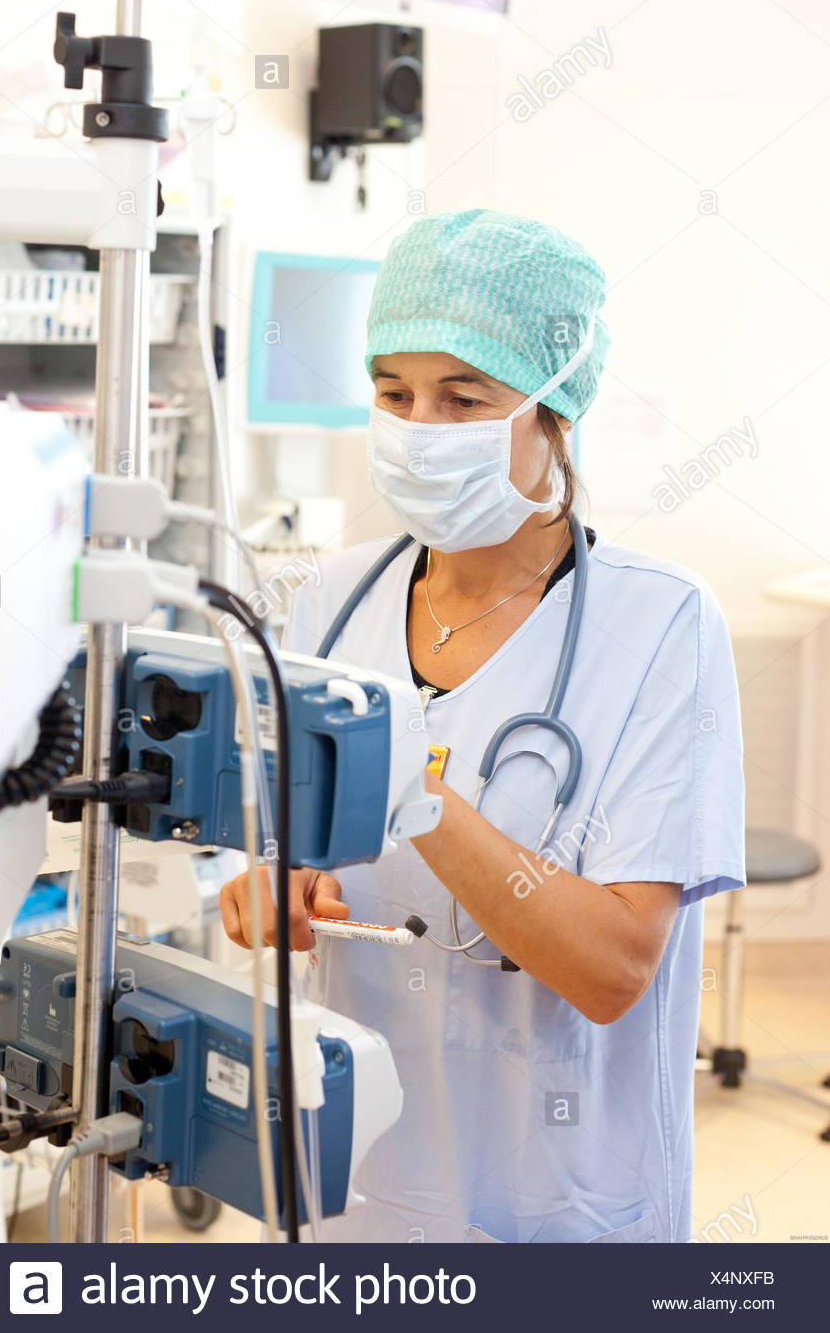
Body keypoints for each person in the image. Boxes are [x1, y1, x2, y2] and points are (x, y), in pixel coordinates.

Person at [220, 209, 746, 1243]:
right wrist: (265, 891)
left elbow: (608, 970)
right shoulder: (329, 602)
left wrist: (410, 788)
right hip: (360, 1182)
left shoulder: (660, 624)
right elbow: (282, 864)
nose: (420, 426)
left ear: (554, 409)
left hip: (557, 1197)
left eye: (464, 397)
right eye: (392, 393)